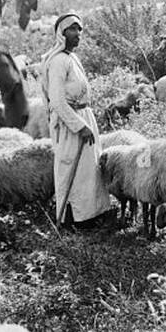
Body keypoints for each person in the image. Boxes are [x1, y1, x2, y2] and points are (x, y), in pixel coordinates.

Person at [40, 13, 110, 228]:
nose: (78, 33)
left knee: (89, 169)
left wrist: (85, 121)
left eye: (80, 29)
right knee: (72, 168)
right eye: (72, 29)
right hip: (69, 122)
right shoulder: (58, 62)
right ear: (61, 33)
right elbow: (57, 101)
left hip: (83, 115)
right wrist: (79, 127)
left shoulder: (72, 59)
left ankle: (91, 214)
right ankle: (73, 219)